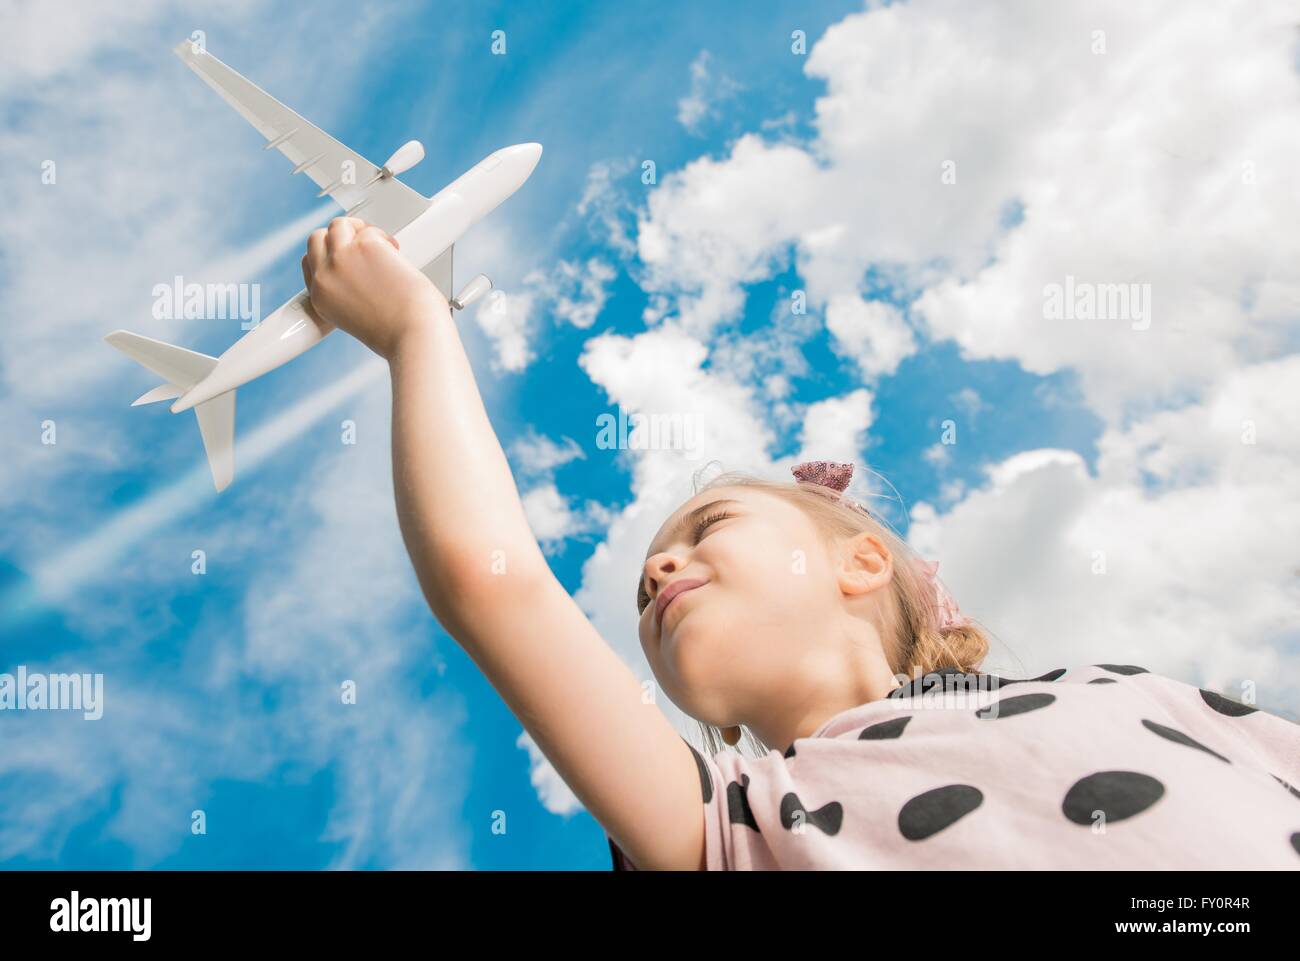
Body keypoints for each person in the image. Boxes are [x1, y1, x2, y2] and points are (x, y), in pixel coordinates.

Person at [300, 217, 1300, 870]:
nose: (653, 570)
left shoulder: (1126, 689)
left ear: (863, 563)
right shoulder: (731, 825)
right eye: (646, 584)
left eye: (708, 528)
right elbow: (494, 581)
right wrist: (415, 330)